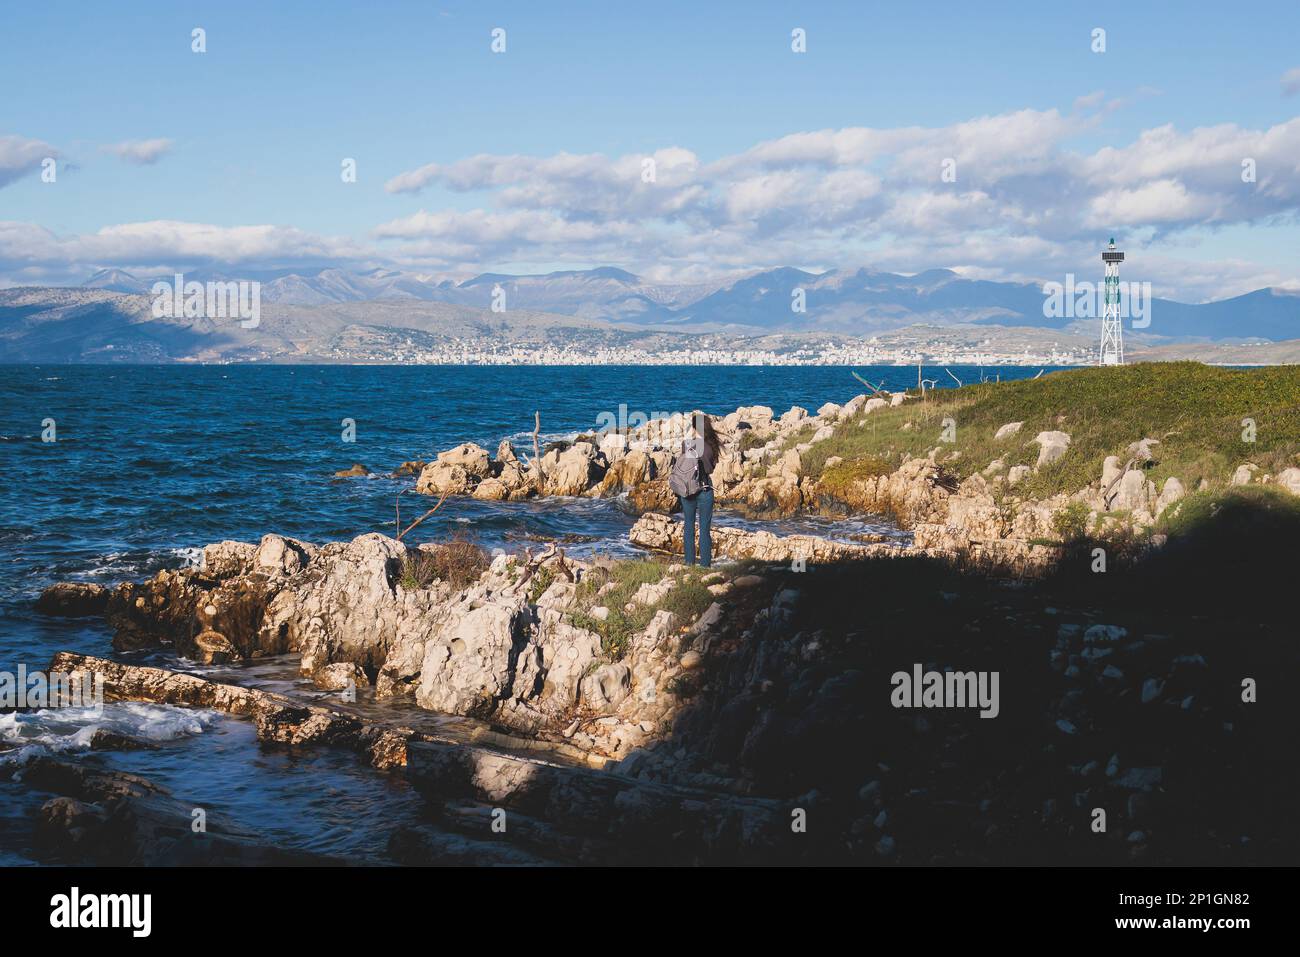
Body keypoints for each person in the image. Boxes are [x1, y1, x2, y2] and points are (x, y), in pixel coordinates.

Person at [678, 411, 720, 567]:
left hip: (688, 490)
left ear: (695, 427)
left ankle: (689, 564)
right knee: (704, 530)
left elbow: (684, 466)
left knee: (688, 526)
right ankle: (705, 566)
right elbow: (711, 469)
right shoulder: (712, 446)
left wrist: (691, 435)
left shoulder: (687, 444)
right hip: (705, 490)